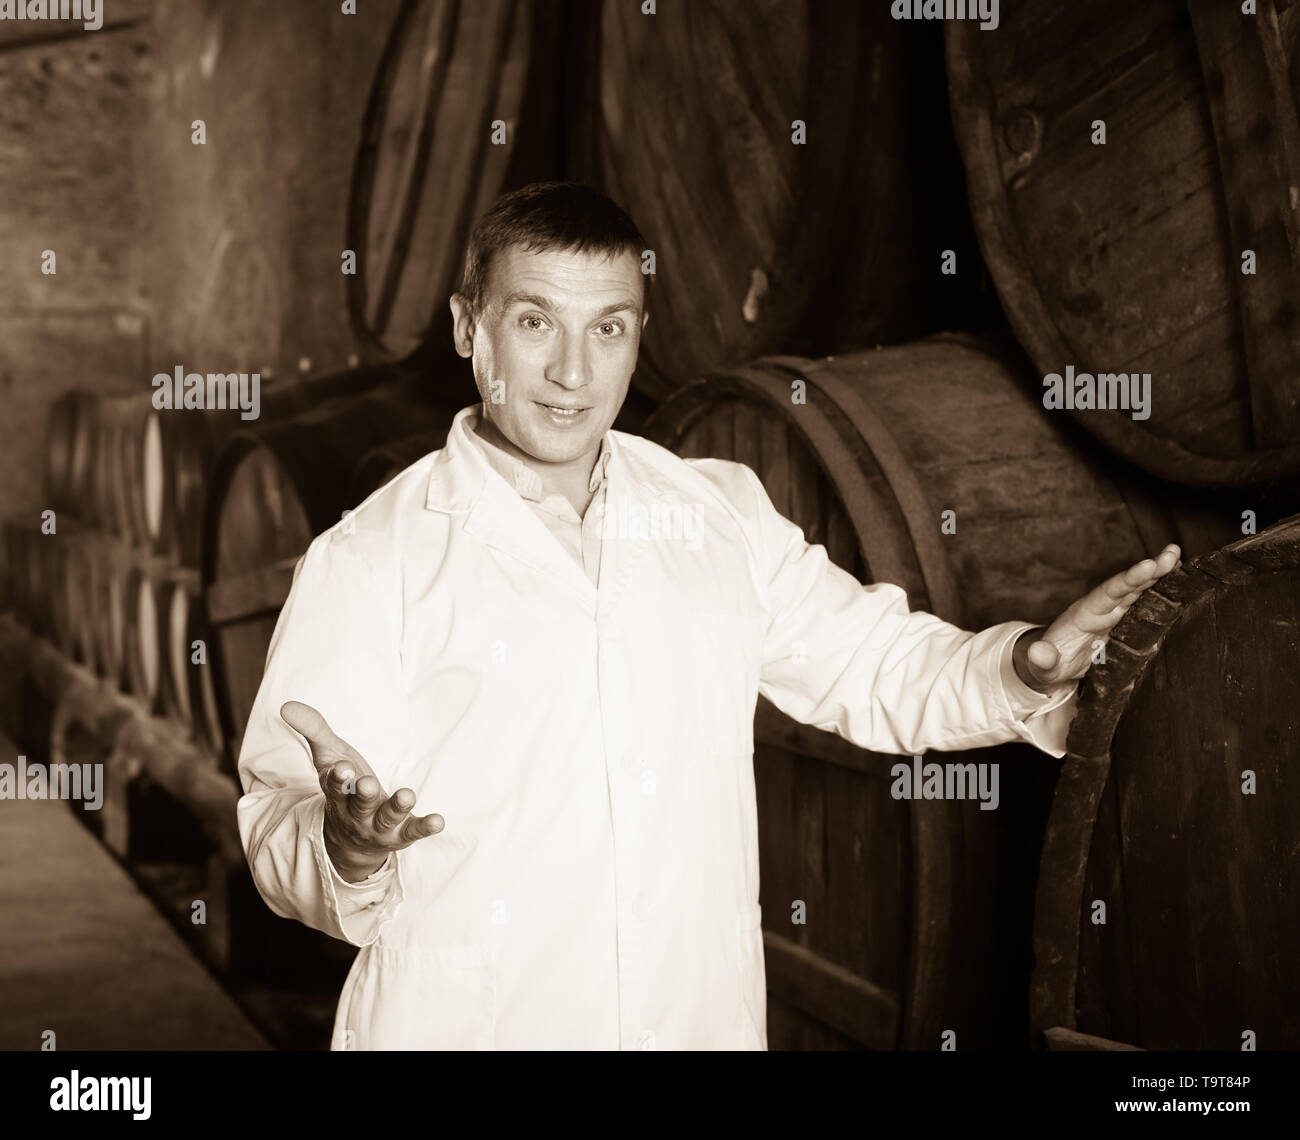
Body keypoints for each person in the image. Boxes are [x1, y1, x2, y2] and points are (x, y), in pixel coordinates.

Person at [235, 181, 1181, 1051]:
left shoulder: (716, 509)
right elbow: (276, 811)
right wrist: (344, 845)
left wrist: (1024, 668)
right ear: (466, 328)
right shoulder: (371, 557)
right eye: (534, 321)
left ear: (639, 335)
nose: (572, 370)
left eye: (609, 328)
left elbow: (871, 662)